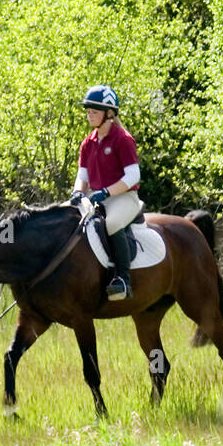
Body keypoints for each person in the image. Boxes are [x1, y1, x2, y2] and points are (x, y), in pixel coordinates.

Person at [69, 85, 141, 301]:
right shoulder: (88, 143)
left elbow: (133, 176)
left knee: (111, 224)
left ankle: (123, 280)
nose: (90, 116)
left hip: (123, 198)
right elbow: (83, 175)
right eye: (88, 112)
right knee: (65, 218)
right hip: (94, 197)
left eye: (94, 112)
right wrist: (77, 192)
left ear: (109, 114)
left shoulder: (122, 139)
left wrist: (106, 192)